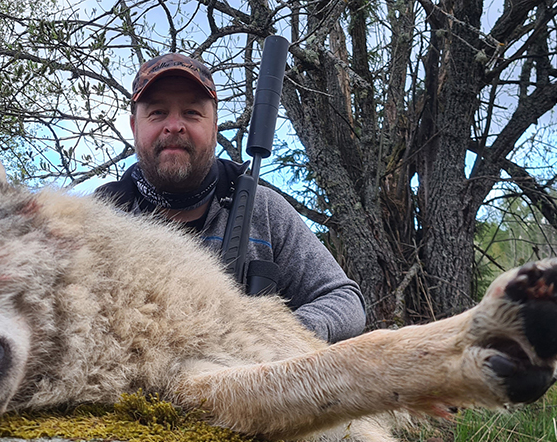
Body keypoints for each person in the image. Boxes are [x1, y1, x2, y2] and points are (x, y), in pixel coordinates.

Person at [96, 53, 366, 343]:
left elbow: (344, 299)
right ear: (134, 127)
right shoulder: (99, 223)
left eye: (191, 113)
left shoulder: (264, 210)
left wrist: (279, 338)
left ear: (214, 127)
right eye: (157, 112)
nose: (174, 126)